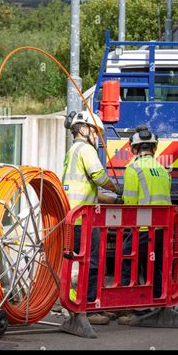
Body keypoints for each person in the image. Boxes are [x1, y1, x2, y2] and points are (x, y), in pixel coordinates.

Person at [62, 111, 122, 325]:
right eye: (95, 132)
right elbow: (98, 176)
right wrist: (115, 187)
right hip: (84, 220)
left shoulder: (72, 151)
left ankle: (76, 303)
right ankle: (87, 307)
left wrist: (111, 201)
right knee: (93, 261)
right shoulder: (86, 149)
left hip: (72, 216)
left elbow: (89, 190)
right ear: (85, 129)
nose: (97, 137)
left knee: (71, 261)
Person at [118, 126, 172, 324]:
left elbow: (130, 203)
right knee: (157, 266)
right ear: (154, 149)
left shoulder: (133, 169)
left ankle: (128, 305)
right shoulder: (162, 170)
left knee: (127, 259)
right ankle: (158, 302)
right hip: (163, 229)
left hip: (142, 228)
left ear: (134, 149)